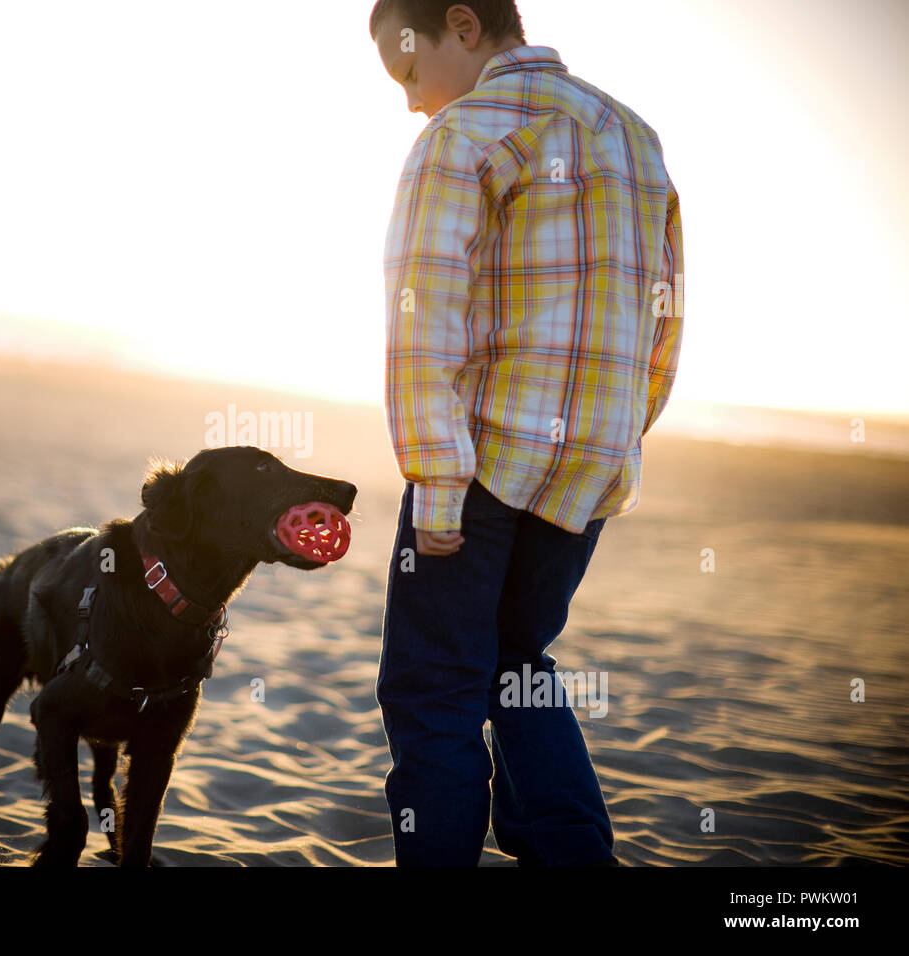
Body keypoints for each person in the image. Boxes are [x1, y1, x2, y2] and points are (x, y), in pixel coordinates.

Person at [371, 0, 684, 866]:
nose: (409, 101)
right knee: (517, 663)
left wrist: (437, 488)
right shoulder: (634, 136)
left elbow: (422, 317)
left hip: (478, 467)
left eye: (407, 71)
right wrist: (616, 440)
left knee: (433, 690)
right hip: (587, 473)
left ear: (462, 26)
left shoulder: (462, 135)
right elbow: (664, 320)